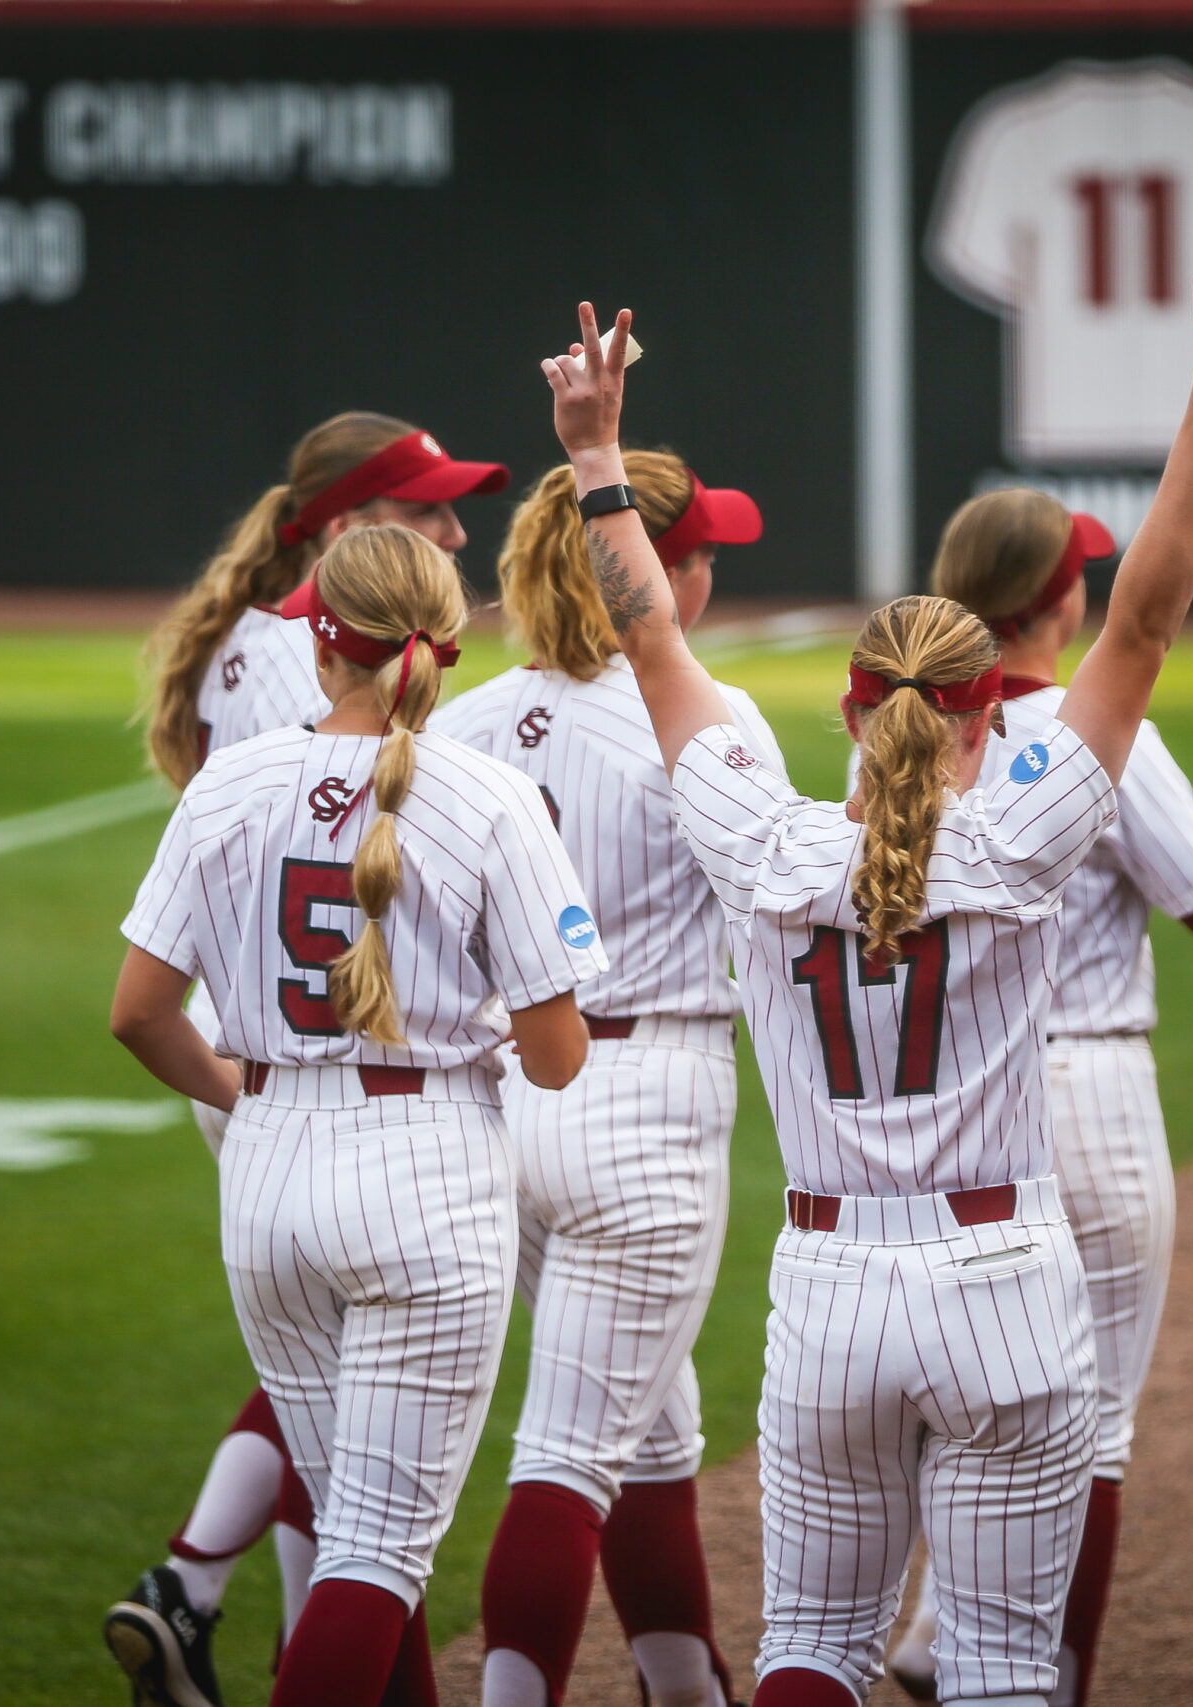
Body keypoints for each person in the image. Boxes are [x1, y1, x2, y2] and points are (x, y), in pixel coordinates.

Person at [539, 280, 1193, 1707]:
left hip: (829, 1289)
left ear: (848, 709)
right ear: (993, 710)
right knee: (1000, 1661)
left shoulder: (765, 841)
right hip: (1005, 1280)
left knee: (812, 1647)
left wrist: (592, 454)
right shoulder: (1021, 834)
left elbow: (649, 641)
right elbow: (1144, 626)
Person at [110, 522, 604, 1707]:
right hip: (425, 1176)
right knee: (377, 1555)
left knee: (352, 1543)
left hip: (269, 1169)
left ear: (317, 644)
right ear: (445, 639)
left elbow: (138, 1014)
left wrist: (252, 1094)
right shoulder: (488, 796)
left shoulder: (227, 781)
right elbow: (555, 1059)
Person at [884, 490, 1193, 1705]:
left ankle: (935, 1627)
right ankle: (1043, 1682)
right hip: (1086, 1090)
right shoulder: (1096, 728)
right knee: (1090, 1428)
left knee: (958, 1384)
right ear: (1056, 598)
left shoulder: (905, 731)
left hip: (944, 1101)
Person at [430, 451, 783, 1707]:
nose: (707, 575)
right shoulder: (701, 717)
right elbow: (782, 913)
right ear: (646, 570)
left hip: (501, 1103)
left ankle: (684, 1687)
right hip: (648, 1106)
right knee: (573, 1451)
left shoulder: (460, 719)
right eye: (693, 556)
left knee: (651, 1425)